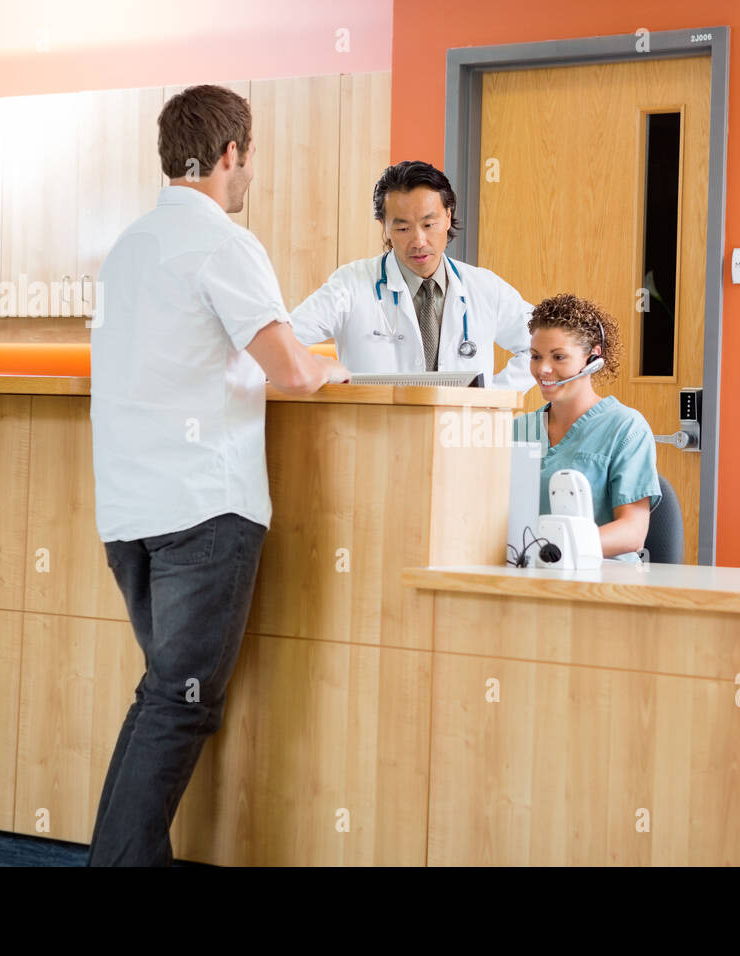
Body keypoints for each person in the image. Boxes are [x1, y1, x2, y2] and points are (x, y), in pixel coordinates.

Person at [87, 84, 350, 866]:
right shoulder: (226, 245)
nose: (249, 173)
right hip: (203, 511)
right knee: (177, 704)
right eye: (250, 157)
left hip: (130, 515)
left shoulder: (127, 246)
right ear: (230, 154)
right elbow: (293, 372)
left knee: (164, 698)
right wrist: (331, 372)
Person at [289, 160, 536, 391]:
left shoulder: (484, 287)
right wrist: (318, 366)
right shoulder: (351, 285)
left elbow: (543, 344)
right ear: (384, 227)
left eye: (429, 225)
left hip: (459, 432)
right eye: (403, 228)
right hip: (376, 431)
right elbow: (284, 342)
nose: (418, 241)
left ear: (448, 217)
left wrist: (494, 397)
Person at [512, 293, 661, 561]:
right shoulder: (520, 429)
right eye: (536, 356)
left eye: (559, 357)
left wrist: (558, 550)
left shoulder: (626, 428)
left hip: (601, 580)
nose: (543, 369)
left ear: (593, 358)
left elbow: (633, 531)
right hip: (532, 576)